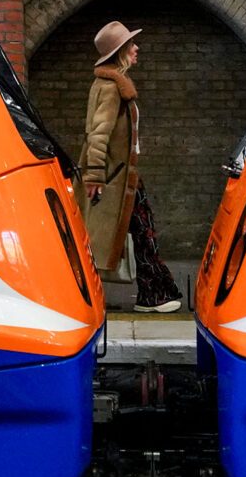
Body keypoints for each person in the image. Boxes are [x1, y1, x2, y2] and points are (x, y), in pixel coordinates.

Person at [77, 21, 183, 313]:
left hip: (124, 176)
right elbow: (98, 133)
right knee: (140, 234)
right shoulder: (111, 87)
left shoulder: (112, 84)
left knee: (140, 233)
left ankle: (153, 295)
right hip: (116, 178)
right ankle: (154, 296)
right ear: (119, 52)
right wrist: (96, 175)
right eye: (130, 45)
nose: (137, 49)